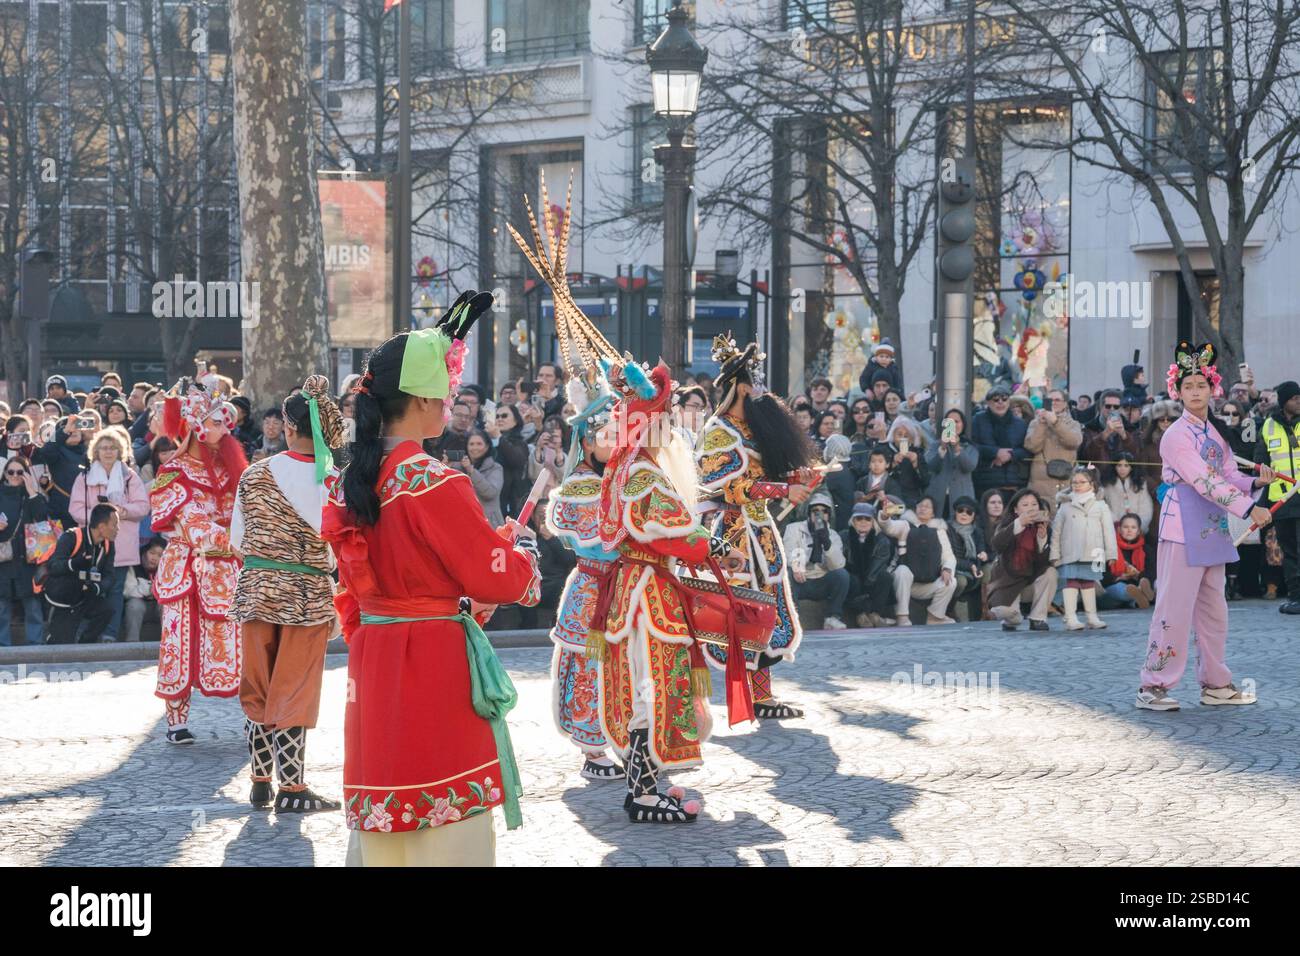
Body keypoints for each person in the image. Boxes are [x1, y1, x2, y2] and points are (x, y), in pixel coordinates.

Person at [321, 297, 542, 866]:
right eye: (445, 386)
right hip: (432, 662)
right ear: (421, 399)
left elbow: (362, 585)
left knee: (386, 814)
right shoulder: (433, 482)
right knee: (448, 826)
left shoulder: (351, 484)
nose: (451, 396)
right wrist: (518, 560)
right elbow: (492, 574)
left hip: (373, 658)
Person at [592, 358, 744, 823]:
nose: (673, 427)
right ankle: (642, 791)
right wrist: (715, 546)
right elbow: (666, 528)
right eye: (666, 420)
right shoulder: (640, 473)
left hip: (640, 584)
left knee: (651, 684)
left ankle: (647, 783)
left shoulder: (629, 467)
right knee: (654, 685)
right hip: (647, 591)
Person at [1136, 343, 1275, 711]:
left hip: (1211, 527)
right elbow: (1204, 481)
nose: (1196, 392)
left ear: (1212, 389)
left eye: (1201, 385)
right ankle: (1153, 685)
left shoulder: (1213, 433)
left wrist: (1255, 483)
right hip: (1182, 525)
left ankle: (1215, 683)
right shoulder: (1175, 436)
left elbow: (1227, 473)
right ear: (1178, 392)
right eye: (1189, 386)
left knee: (1214, 610)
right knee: (1173, 609)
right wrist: (1249, 508)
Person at [231, 376, 346, 814]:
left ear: (287, 425)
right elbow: (341, 546)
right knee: (294, 689)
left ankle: (260, 781)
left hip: (257, 590)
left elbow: (238, 540)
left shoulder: (255, 474)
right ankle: (293, 788)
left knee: (257, 684)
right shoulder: (334, 480)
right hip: (308, 594)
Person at [695, 335, 814, 720]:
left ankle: (762, 696)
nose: (761, 389)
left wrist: (798, 480)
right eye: (755, 382)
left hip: (761, 529)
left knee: (767, 609)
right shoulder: (719, 432)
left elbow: (766, 475)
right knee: (742, 612)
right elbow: (728, 487)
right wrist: (784, 488)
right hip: (733, 534)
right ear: (741, 387)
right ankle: (714, 696)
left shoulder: (751, 428)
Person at [150, 378, 248, 743]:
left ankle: (251, 715)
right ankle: (177, 722)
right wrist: (236, 541)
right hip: (188, 569)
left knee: (237, 642)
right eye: (218, 423)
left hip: (231, 568)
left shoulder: (231, 469)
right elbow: (192, 524)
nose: (226, 430)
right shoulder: (173, 473)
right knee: (179, 642)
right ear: (198, 427)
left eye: (225, 423)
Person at [544, 374, 624, 781]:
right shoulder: (581, 485)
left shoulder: (612, 480)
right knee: (589, 668)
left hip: (620, 586)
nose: (616, 442)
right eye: (608, 435)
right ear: (588, 442)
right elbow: (603, 538)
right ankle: (592, 749)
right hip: (594, 587)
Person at [69, 426, 149, 642]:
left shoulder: (130, 477)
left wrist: (122, 511)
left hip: (121, 542)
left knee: (114, 591)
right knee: (91, 590)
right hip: (93, 543)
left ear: (119, 450)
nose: (108, 452)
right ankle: (88, 634)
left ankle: (109, 635)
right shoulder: (84, 477)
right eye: (103, 448)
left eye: (112, 447)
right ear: (96, 451)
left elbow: (142, 507)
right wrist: (99, 515)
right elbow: (75, 510)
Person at [1050, 466, 1117, 630]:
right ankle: (1070, 617)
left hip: (1095, 551)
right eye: (1074, 482)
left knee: (1090, 582)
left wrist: (1111, 554)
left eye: (1082, 482)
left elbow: (1108, 531)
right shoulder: (1065, 506)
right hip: (1071, 550)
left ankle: (1092, 616)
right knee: (1071, 581)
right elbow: (1056, 532)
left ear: (1092, 484)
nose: (1077, 485)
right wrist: (1054, 553)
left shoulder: (1101, 506)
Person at [44, 504, 119, 644]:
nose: (118, 529)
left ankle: (85, 644)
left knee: (107, 609)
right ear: (102, 527)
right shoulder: (71, 537)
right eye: (115, 525)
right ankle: (56, 638)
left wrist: (97, 588)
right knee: (60, 647)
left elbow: (110, 576)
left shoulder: (109, 544)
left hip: (85, 595)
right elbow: (52, 566)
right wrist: (74, 564)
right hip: (64, 599)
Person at [1255, 380, 1300, 614]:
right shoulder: (1268, 426)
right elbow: (1261, 462)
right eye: (1294, 398)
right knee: (1289, 552)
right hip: (1282, 499)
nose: (1299, 401)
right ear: (1284, 403)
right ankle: (1295, 597)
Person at [986, 489, 1058, 631]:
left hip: (1030, 580)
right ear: (1016, 510)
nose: (1031, 508)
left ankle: (1038, 618)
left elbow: (1044, 563)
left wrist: (1042, 539)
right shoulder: (1006, 524)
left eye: (1034, 504)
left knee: (1051, 572)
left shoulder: (1044, 527)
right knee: (1006, 614)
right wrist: (1018, 524)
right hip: (1008, 582)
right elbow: (996, 545)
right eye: (1025, 505)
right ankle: (1014, 619)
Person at [0, 457, 50, 646]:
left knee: (32, 603)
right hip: (3, 557)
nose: (15, 476)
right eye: (10, 472)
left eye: (20, 472)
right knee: (2, 604)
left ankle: (35, 644)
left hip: (28, 557)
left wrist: (32, 492)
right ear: (5, 474)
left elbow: (43, 518)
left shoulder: (31, 496)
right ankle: (3, 647)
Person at [784, 491, 850, 628]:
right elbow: (788, 550)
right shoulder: (794, 528)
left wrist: (827, 543)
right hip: (800, 579)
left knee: (842, 575)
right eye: (815, 511)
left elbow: (838, 565)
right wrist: (797, 567)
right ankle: (792, 620)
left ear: (828, 515)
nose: (819, 515)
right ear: (809, 513)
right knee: (787, 574)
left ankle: (832, 618)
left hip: (821, 580)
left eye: (824, 511)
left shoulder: (833, 535)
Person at [894, 496, 957, 625]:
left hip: (928, 583)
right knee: (902, 571)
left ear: (933, 512)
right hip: (906, 583)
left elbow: (949, 556)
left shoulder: (939, 531)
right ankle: (902, 617)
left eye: (927, 506)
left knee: (951, 581)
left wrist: (947, 569)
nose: (923, 508)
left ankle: (935, 616)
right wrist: (884, 517)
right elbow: (888, 527)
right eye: (920, 505)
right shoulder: (905, 525)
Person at [1023, 388, 1083, 511]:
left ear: (1065, 404)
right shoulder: (1036, 423)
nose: (1054, 403)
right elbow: (1032, 446)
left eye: (1057, 400)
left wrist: (1055, 423)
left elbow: (1074, 442)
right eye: (1050, 400)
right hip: (1041, 483)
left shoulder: (1073, 424)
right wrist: (1042, 423)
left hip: (1065, 482)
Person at [33, 411, 98, 524]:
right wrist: (65, 431)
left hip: (89, 511)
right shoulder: (56, 452)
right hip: (62, 512)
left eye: (76, 426)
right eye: (67, 428)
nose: (72, 430)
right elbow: (46, 451)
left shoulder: (91, 452)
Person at [840, 502, 898, 627]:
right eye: (859, 518)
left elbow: (877, 568)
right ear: (853, 521)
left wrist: (866, 583)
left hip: (872, 579)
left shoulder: (882, 540)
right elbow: (841, 562)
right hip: (852, 581)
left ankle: (875, 613)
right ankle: (860, 614)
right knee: (851, 578)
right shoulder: (843, 536)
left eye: (867, 518)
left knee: (885, 577)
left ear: (873, 522)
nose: (863, 522)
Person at [971, 385, 1030, 498]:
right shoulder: (978, 420)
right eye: (996, 399)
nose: (1000, 403)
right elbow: (971, 445)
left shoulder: (1020, 424)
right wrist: (995, 452)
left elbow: (1027, 450)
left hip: (1013, 482)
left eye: (1004, 399)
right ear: (988, 402)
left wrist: (1010, 455)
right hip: (985, 482)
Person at [925, 408, 978, 518]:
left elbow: (969, 467)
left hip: (961, 496)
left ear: (963, 425)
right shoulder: (935, 445)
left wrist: (957, 448)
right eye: (949, 422)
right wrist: (943, 447)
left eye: (956, 422)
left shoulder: (970, 446)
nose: (952, 426)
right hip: (938, 496)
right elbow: (931, 466)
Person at [947, 495, 988, 622]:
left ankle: (986, 611)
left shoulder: (977, 531)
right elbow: (950, 557)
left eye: (969, 512)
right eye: (960, 510)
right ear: (955, 512)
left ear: (974, 516)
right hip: (952, 568)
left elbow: (981, 549)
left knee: (989, 571)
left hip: (971, 568)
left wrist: (982, 556)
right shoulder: (947, 529)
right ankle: (948, 608)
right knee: (960, 582)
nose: (964, 514)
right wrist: (971, 566)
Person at [1100, 514, 1155, 610]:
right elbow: (1100, 575)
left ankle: (1137, 598)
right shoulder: (1109, 548)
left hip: (1137, 582)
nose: (1129, 530)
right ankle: (1139, 596)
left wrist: (1138, 575)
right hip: (1113, 587)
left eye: (1133, 527)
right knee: (1120, 588)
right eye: (1125, 527)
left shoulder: (1146, 549)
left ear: (1138, 531)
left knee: (1145, 582)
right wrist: (1118, 577)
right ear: (1119, 530)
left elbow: (1152, 572)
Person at [122, 538, 165, 641]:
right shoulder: (134, 565)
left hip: (156, 607)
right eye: (152, 553)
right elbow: (129, 591)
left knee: (167, 606)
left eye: (160, 556)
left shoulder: (166, 569)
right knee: (134, 605)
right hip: (140, 607)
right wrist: (152, 589)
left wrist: (143, 589)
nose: (154, 558)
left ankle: (168, 643)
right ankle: (132, 644)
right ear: (145, 552)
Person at [1099, 452, 1153, 534]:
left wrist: (1138, 526)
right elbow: (1103, 505)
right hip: (1113, 527)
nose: (1122, 469)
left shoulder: (1139, 483)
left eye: (1126, 466)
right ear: (1114, 467)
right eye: (1119, 465)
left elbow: (1145, 507)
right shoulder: (1107, 484)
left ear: (1131, 467)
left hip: (1135, 528)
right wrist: (1114, 523)